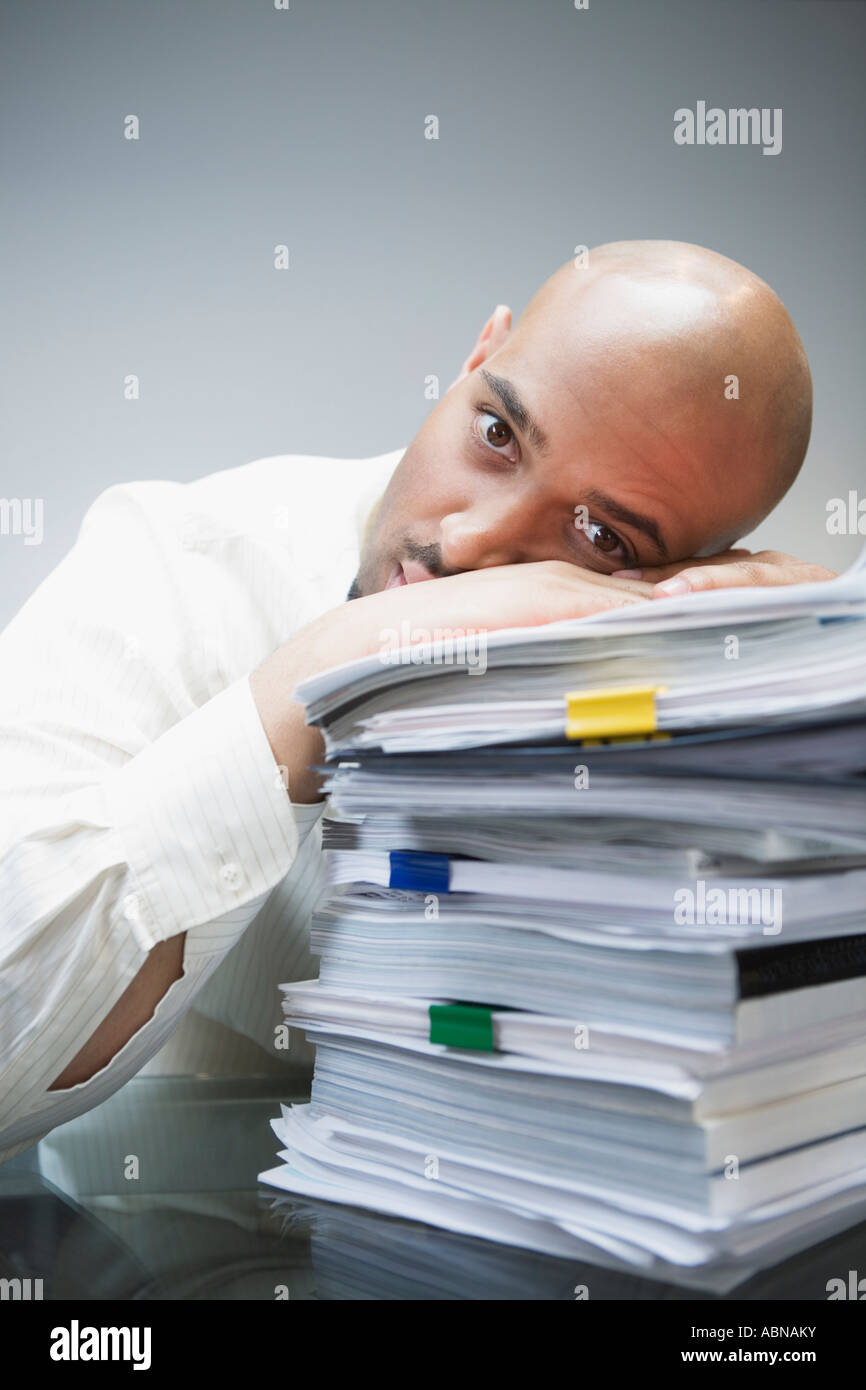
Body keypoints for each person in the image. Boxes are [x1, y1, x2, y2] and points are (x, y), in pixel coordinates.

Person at [0, 239, 834, 1162]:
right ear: (478, 356)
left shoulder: (666, 693)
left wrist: (800, 679)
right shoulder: (173, 564)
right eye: (497, 434)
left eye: (601, 535)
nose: (471, 544)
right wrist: (326, 671)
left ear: (692, 572)